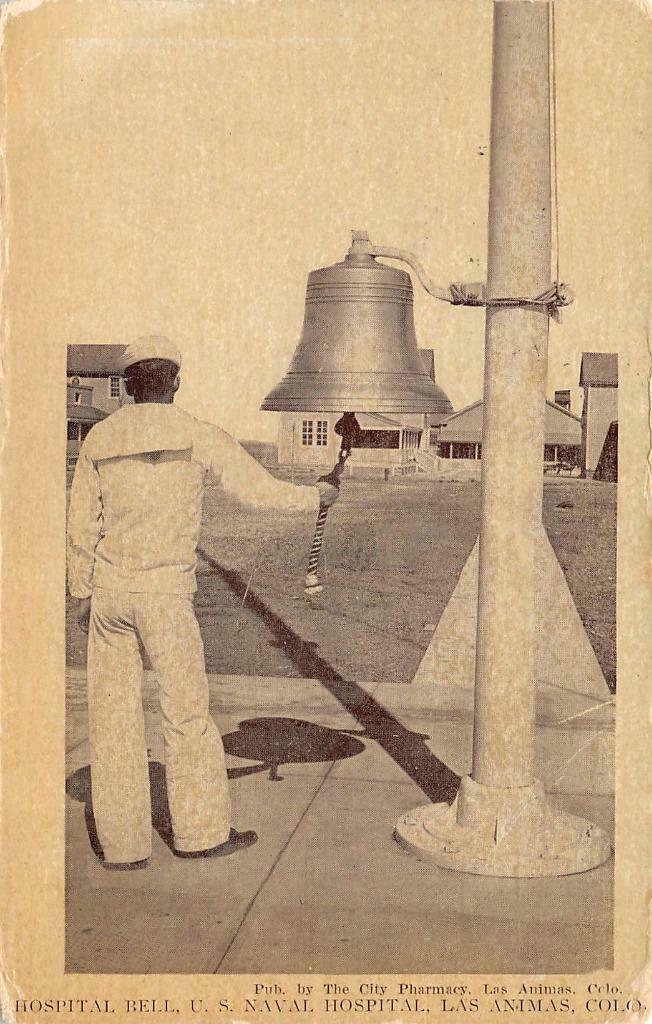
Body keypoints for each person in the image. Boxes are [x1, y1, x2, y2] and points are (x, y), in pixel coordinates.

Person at [67, 336, 338, 870]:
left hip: (111, 596)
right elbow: (256, 489)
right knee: (187, 715)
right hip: (166, 596)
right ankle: (200, 834)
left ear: (126, 385)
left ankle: (122, 846)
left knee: (113, 717)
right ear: (175, 382)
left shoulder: (100, 436)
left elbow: (80, 528)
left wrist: (81, 593)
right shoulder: (197, 434)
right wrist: (316, 495)